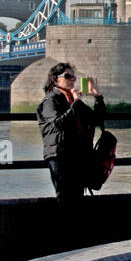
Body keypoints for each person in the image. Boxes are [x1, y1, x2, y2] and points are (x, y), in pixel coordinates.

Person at [36, 62, 105, 203]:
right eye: (68, 76)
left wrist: (97, 97)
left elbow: (96, 119)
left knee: (77, 199)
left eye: (74, 77)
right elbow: (58, 123)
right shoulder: (50, 100)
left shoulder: (73, 100)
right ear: (55, 79)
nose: (72, 80)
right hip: (60, 156)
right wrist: (76, 103)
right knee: (66, 199)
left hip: (78, 155)